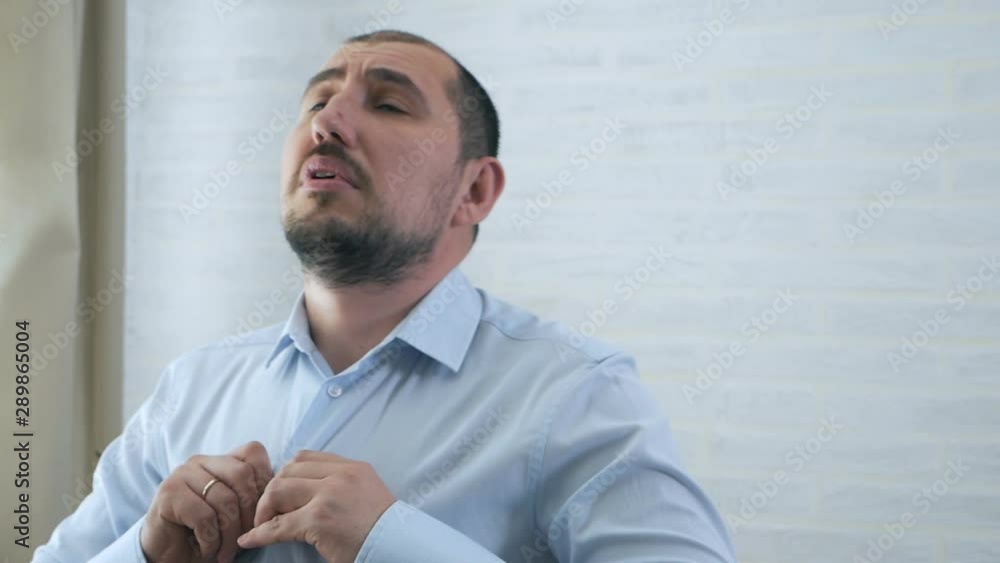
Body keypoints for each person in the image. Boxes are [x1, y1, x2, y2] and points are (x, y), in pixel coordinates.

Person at [33, 30, 736, 563]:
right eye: (317, 98)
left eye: (389, 102)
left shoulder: (576, 395)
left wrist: (392, 541)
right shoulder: (191, 389)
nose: (328, 121)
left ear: (474, 190)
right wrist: (145, 551)